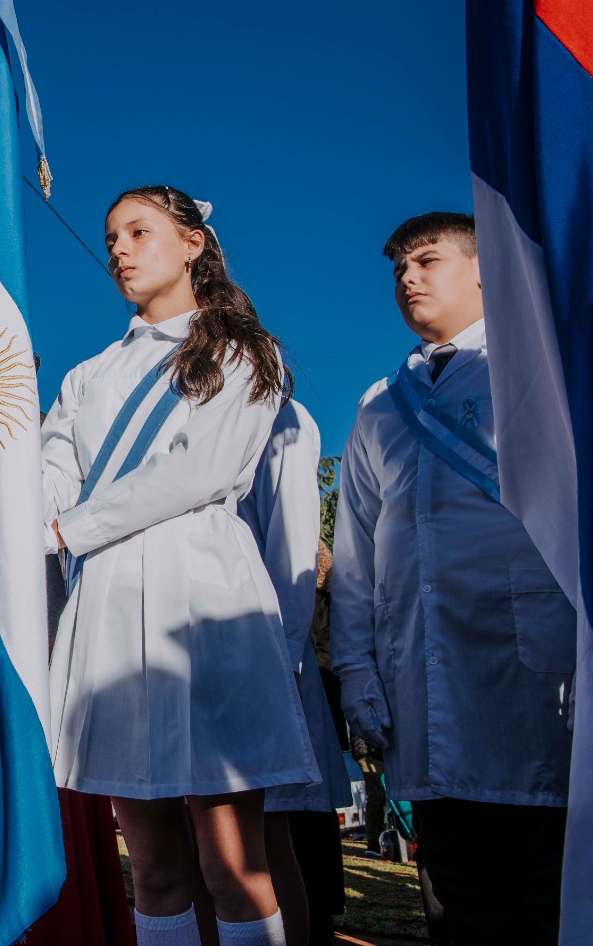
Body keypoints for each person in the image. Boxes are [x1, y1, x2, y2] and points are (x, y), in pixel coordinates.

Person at [42, 186, 313, 946]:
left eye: (138, 231)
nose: (119, 249)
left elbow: (200, 471)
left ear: (193, 242)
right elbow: (48, 474)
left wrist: (69, 527)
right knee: (154, 869)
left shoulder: (240, 349)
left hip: (202, 604)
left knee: (233, 864)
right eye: (111, 238)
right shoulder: (87, 374)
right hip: (104, 613)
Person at [331, 212, 574, 946]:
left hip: (536, 665)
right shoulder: (380, 405)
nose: (408, 279)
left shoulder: (540, 365)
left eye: (427, 260)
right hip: (425, 682)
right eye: (399, 268)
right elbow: (356, 549)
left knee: (554, 889)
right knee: (460, 899)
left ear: (482, 270)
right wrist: (355, 666)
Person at [237, 399, 349, 946]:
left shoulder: (281, 418)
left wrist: (275, 664)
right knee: (223, 853)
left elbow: (293, 553)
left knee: (275, 843)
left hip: (267, 663)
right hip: (214, 666)